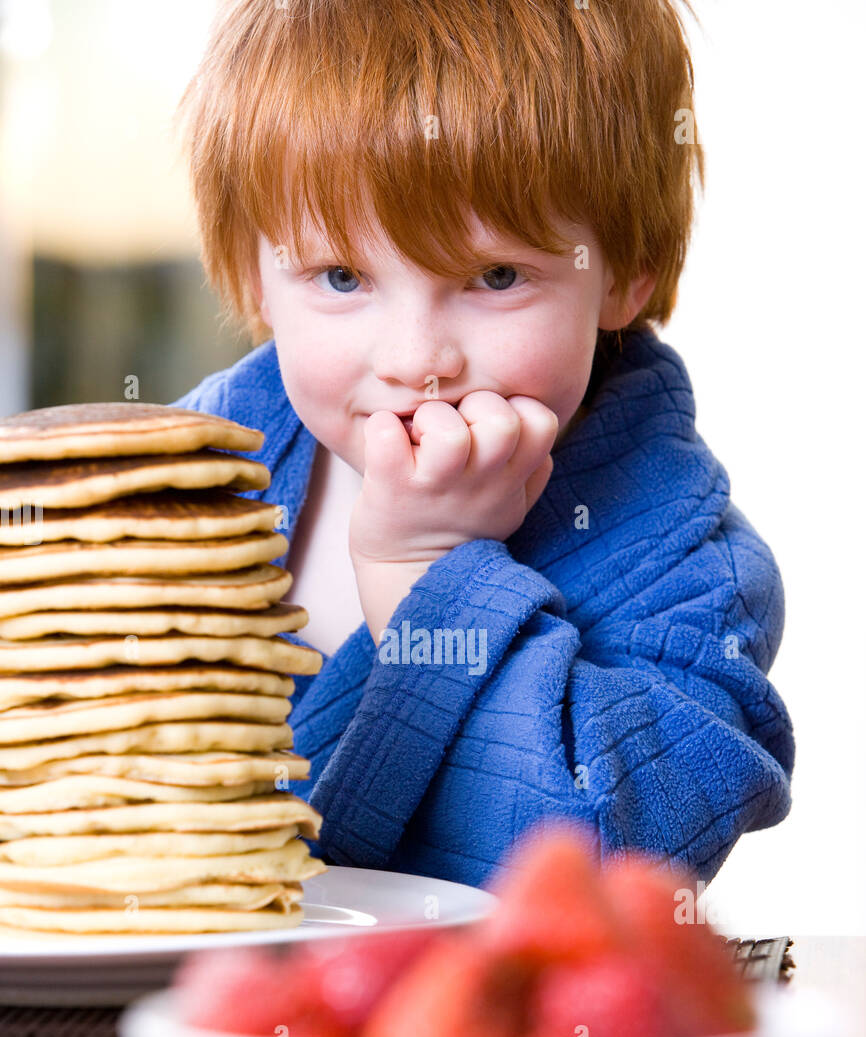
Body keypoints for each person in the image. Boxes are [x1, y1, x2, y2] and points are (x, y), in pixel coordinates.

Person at [169, 0, 794, 890]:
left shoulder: (690, 575)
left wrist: (428, 572)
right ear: (250, 271)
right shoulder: (165, 489)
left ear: (625, 270)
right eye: (343, 276)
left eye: (496, 276)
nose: (417, 360)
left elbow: (605, 870)